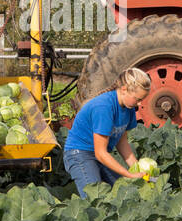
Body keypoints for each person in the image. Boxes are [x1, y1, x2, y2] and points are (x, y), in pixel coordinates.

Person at [62, 67, 151, 197]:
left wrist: (138, 168)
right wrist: (129, 175)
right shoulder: (104, 107)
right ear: (124, 89)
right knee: (95, 197)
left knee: (123, 192)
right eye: (137, 99)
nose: (139, 103)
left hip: (100, 155)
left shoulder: (129, 107)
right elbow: (100, 153)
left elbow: (122, 142)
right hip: (79, 154)